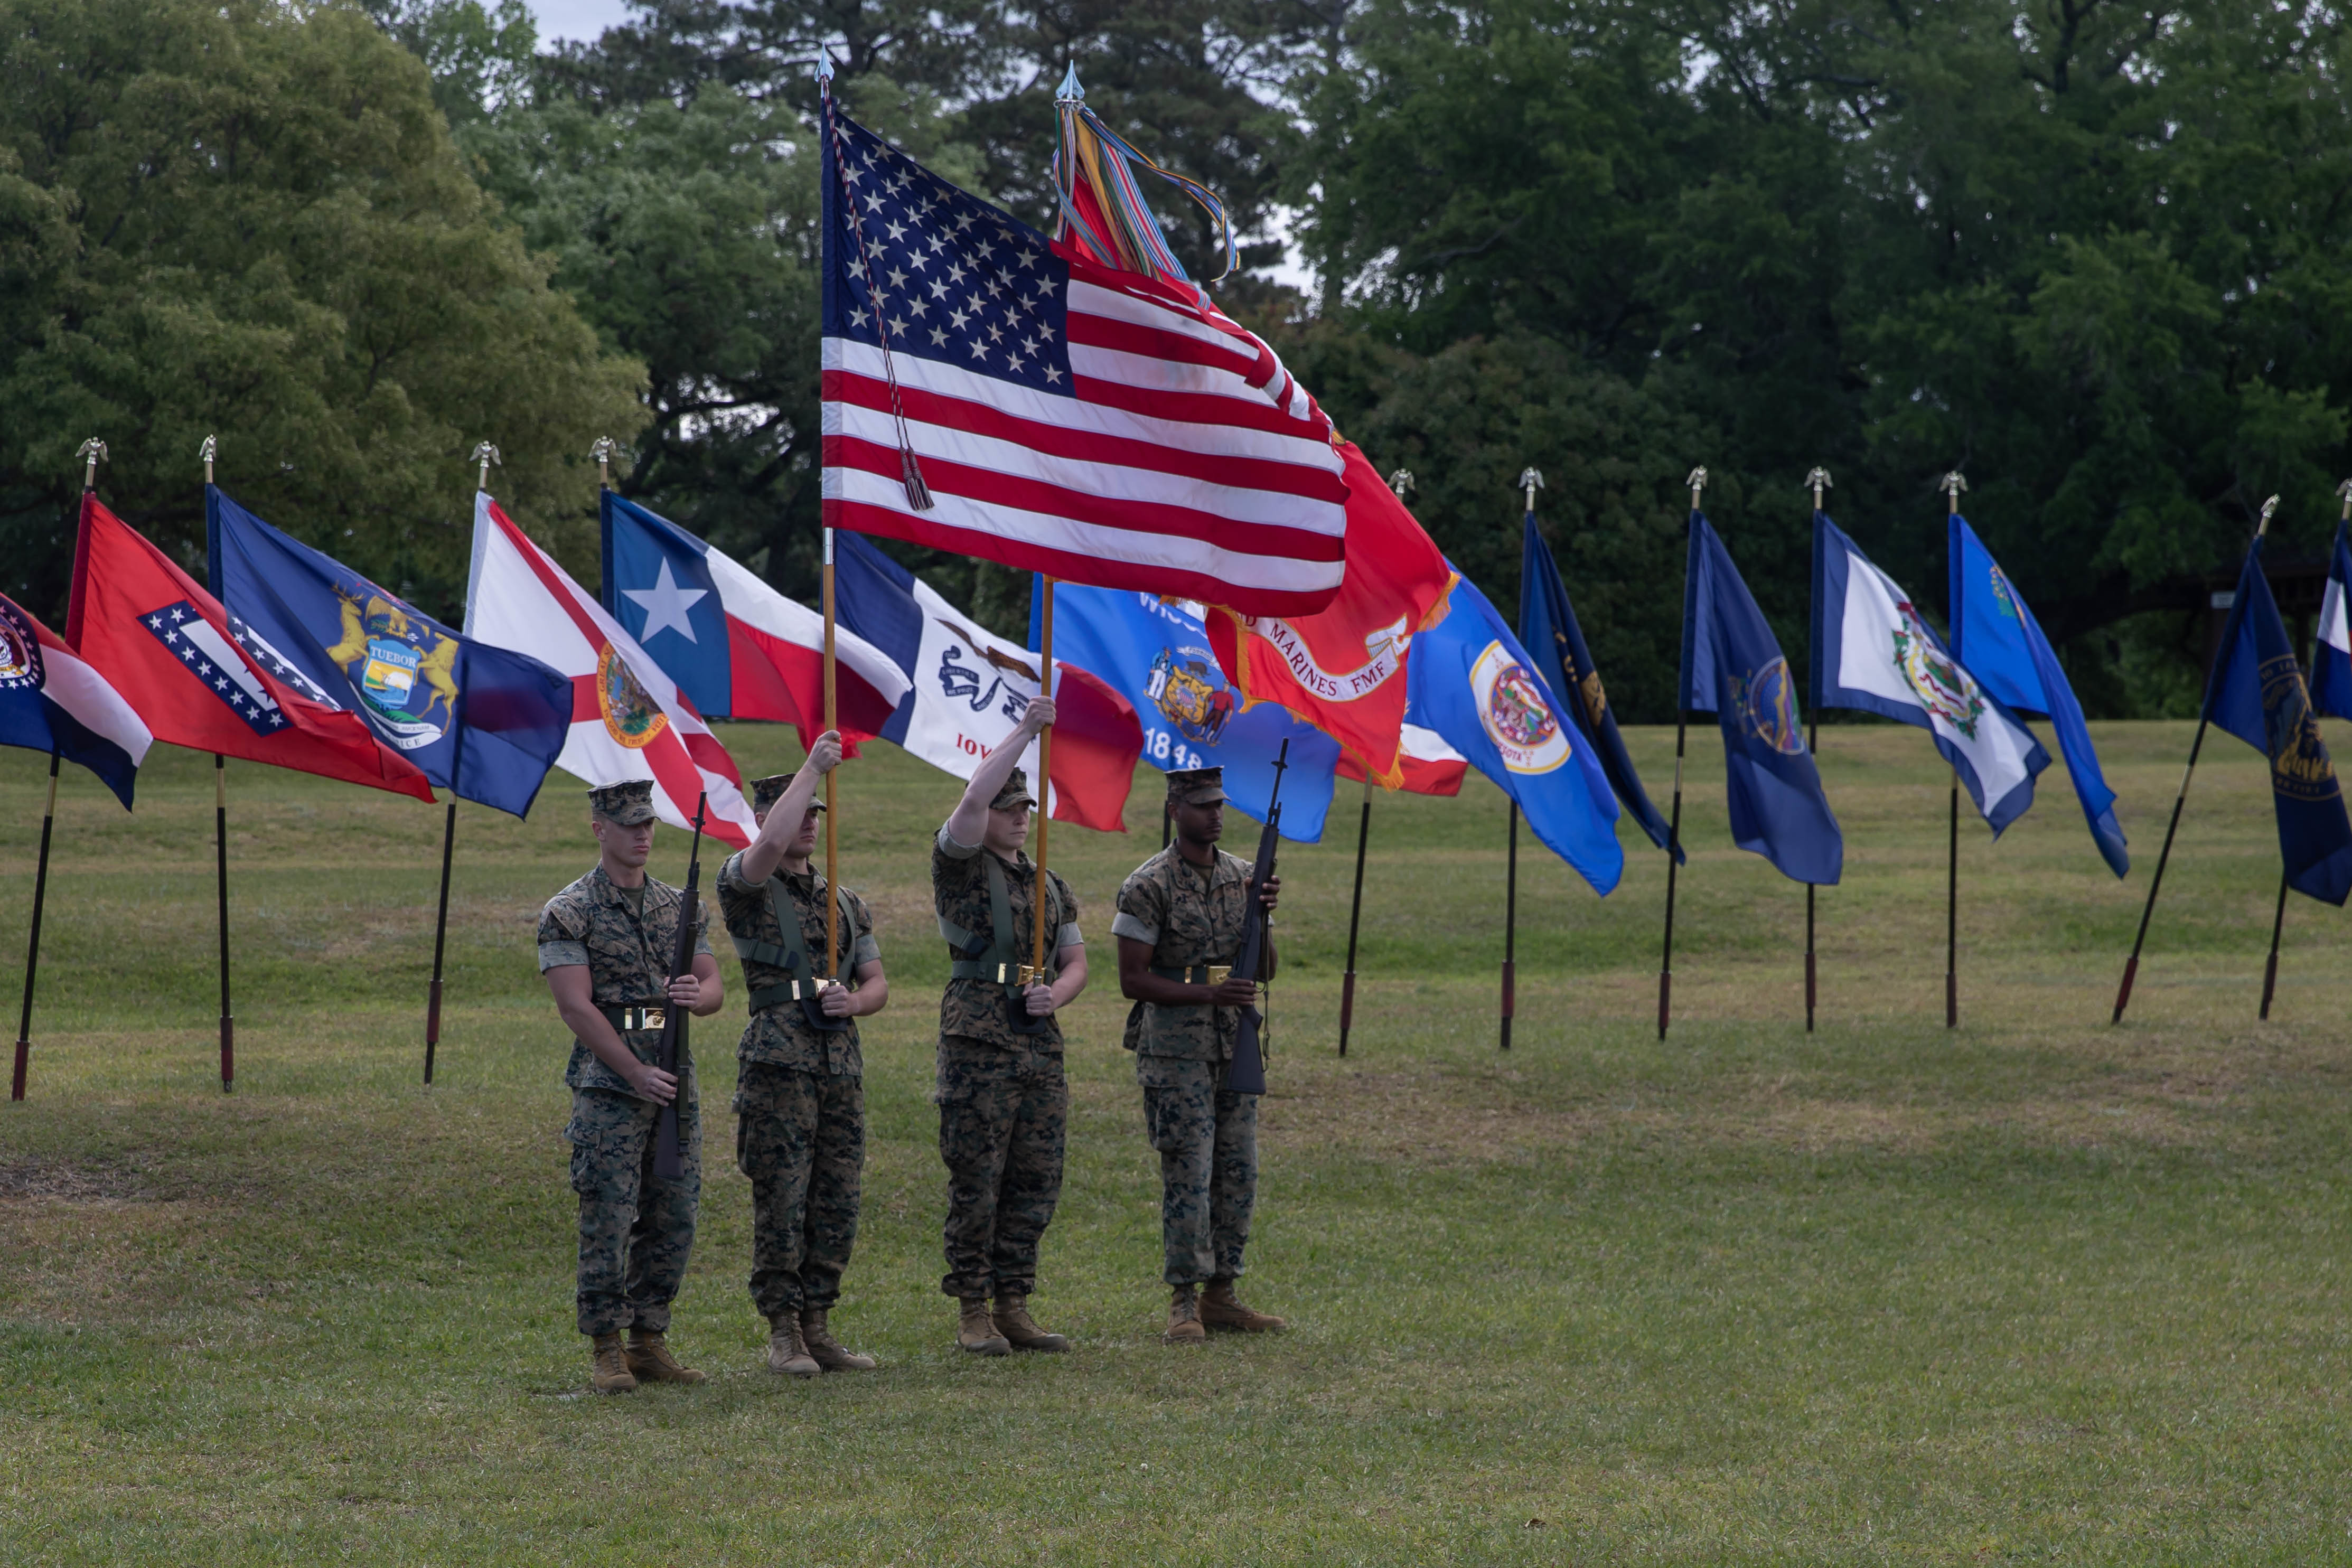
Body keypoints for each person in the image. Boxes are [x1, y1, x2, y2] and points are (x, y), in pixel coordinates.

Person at [538, 780, 726, 1394]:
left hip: (673, 1077)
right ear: (600, 829)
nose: (643, 834)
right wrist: (633, 1071)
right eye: (630, 824)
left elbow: (713, 985)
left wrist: (699, 995)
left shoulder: (679, 905)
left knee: (674, 1213)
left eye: (648, 823)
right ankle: (607, 1346)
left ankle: (649, 1339)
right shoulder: (570, 909)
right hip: (611, 1085)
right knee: (609, 1214)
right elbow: (576, 1006)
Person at [717, 736, 889, 1377]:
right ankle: (783, 1330)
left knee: (836, 1197)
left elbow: (877, 982)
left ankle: (818, 1323)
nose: (811, 823)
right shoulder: (746, 882)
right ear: (768, 816)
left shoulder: (844, 898)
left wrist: (857, 1002)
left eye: (818, 813)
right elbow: (765, 850)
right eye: (801, 811)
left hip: (839, 1063)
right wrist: (812, 768)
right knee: (782, 1197)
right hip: (779, 1063)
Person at [931, 696, 1088, 1355]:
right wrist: (1026, 729)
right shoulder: (960, 865)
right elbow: (972, 799)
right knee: (978, 1174)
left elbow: (1076, 961)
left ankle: (1013, 1300)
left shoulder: (1049, 882)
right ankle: (973, 1307)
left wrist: (1057, 994)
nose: (1020, 817)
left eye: (1026, 807)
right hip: (979, 1039)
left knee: (1035, 1174)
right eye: (1010, 807)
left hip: (1037, 1043)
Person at [1112, 766, 1287, 1344]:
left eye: (1219, 805)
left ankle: (1222, 1292)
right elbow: (1133, 980)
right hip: (1175, 1050)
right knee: (1189, 1171)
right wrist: (1209, 994)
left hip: (1232, 1043)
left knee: (1238, 1171)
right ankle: (1184, 1298)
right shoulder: (1148, 884)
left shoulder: (1242, 876)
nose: (1215, 814)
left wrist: (1262, 916)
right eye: (1203, 805)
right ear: (1175, 810)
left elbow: (1265, 969)